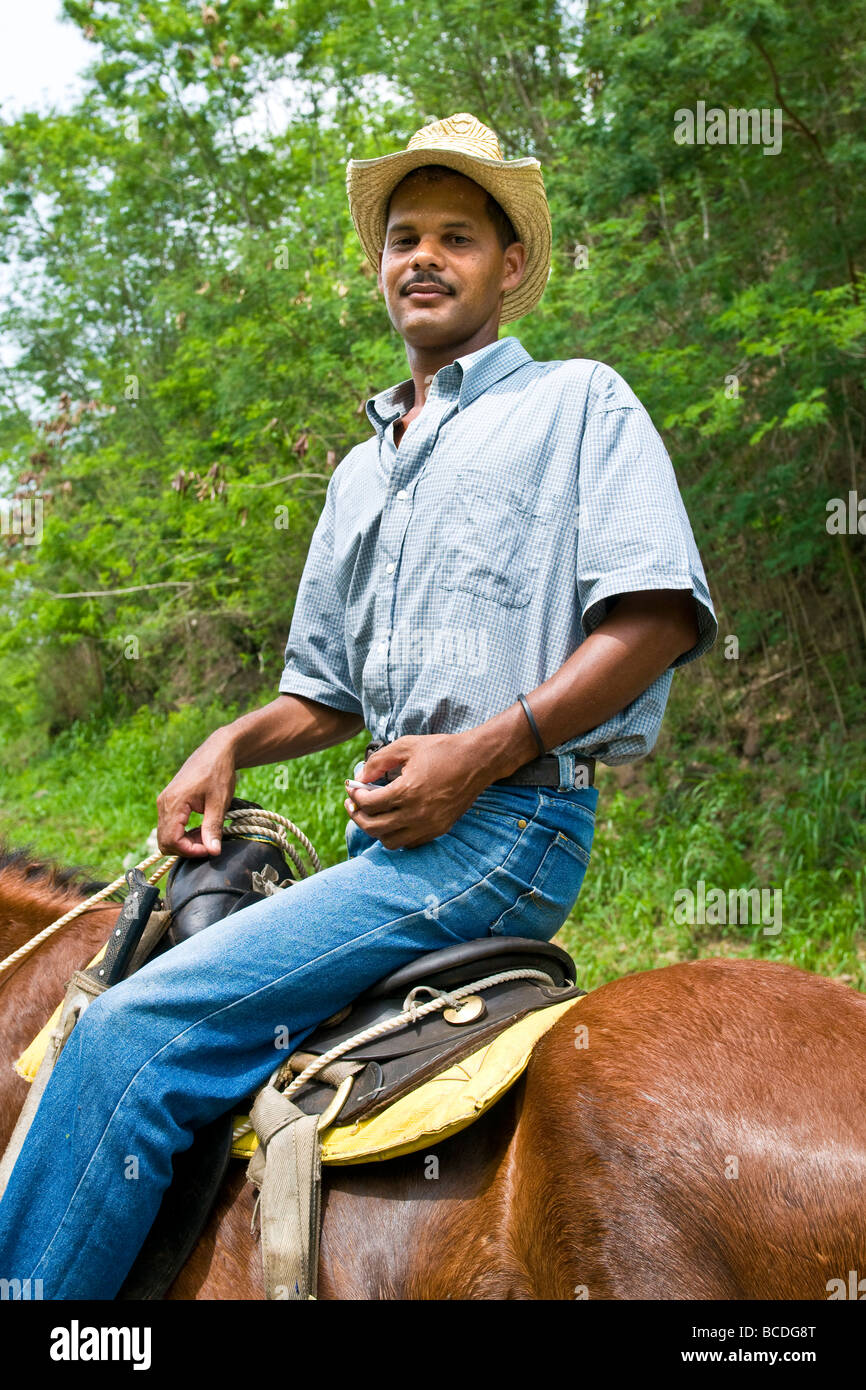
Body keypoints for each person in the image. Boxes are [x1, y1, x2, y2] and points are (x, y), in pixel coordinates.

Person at [0, 112, 717, 1299]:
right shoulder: (362, 463)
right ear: (379, 266)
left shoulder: (577, 403)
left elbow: (654, 619)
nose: (422, 258)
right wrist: (230, 740)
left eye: (455, 237)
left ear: (510, 267)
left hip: (504, 832)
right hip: (382, 848)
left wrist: (482, 754)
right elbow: (322, 693)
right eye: (402, 238)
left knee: (126, 1039)